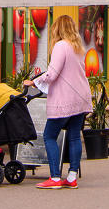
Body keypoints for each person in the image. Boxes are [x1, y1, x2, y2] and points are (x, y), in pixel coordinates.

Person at [32, 13, 91, 188]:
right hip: (80, 97)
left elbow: (52, 73)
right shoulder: (77, 47)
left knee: (49, 136)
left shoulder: (60, 46)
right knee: (74, 137)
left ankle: (55, 178)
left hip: (64, 99)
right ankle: (72, 177)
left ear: (57, 29)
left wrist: (34, 81)